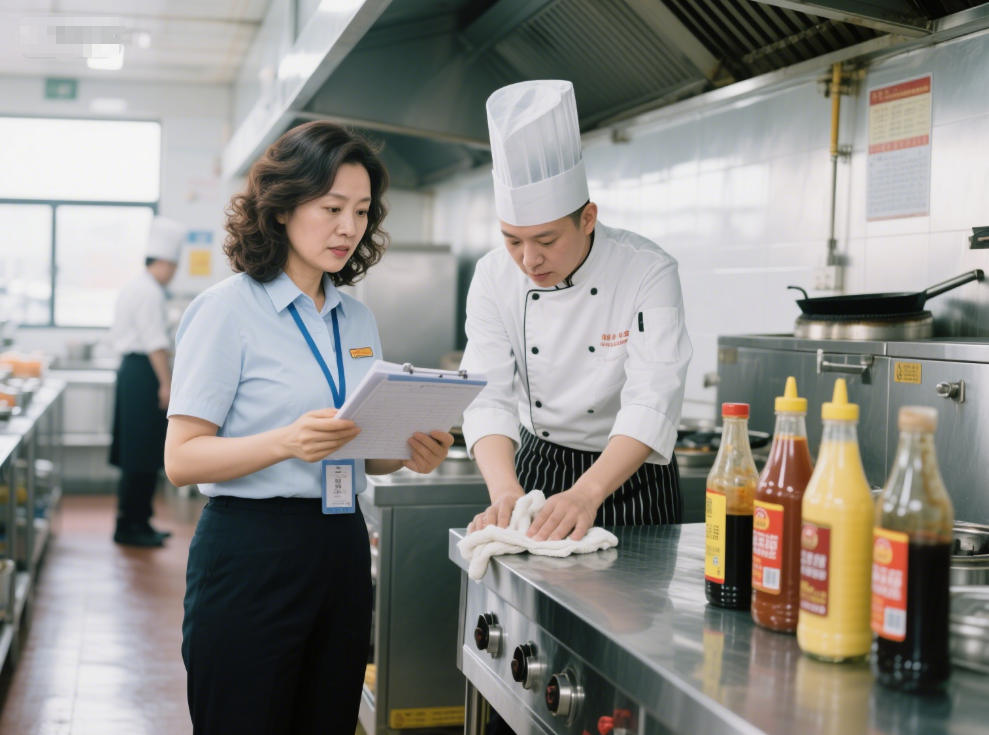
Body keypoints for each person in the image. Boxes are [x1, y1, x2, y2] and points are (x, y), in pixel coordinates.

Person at [163, 121, 454, 735]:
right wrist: (285, 442)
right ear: (282, 210)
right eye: (331, 208)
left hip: (340, 547)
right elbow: (182, 460)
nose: (348, 227)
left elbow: (363, 450)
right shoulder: (226, 310)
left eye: (361, 211)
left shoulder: (357, 318)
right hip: (251, 552)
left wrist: (407, 452)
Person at [462, 80, 693, 545]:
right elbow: (485, 393)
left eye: (546, 240)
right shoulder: (491, 276)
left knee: (634, 611)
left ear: (587, 218)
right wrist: (505, 490)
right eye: (512, 240)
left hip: (631, 475)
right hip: (536, 470)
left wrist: (588, 493)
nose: (529, 260)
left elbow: (654, 396)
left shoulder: (646, 269)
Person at [108, 215, 184, 547]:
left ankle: (140, 520)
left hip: (136, 373)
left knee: (141, 452)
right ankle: (130, 526)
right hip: (143, 374)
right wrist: (166, 384)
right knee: (140, 453)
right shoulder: (149, 292)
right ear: (164, 262)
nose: (173, 273)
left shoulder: (138, 286)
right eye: (174, 266)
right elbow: (156, 344)